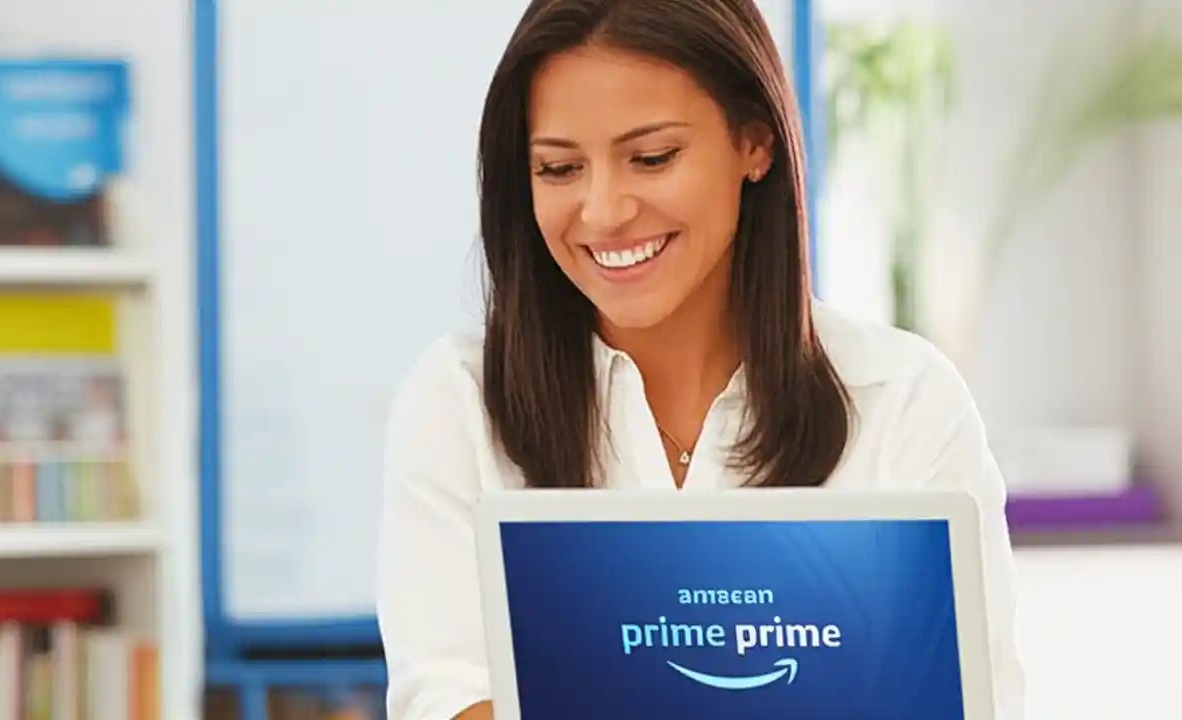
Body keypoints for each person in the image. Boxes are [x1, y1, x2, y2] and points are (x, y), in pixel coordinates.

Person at [375, 0, 1026, 718]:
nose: (602, 210)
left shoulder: (901, 402)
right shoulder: (460, 403)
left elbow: (973, 700)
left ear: (755, 141)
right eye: (559, 168)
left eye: (651, 158)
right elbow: (447, 698)